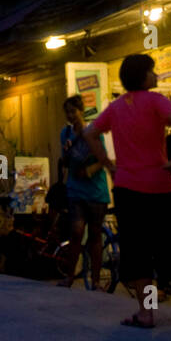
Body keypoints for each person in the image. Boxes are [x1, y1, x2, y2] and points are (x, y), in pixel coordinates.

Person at [84, 54, 171, 327]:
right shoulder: (156, 101)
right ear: (142, 76)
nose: (155, 76)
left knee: (136, 250)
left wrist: (108, 164)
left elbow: (89, 133)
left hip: (128, 188)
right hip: (160, 186)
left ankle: (146, 313)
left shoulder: (116, 106)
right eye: (152, 71)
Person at [57, 95, 111, 288]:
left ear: (81, 111)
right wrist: (65, 153)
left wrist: (88, 171)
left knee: (95, 234)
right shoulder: (65, 133)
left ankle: (96, 280)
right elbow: (64, 162)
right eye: (68, 112)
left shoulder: (94, 132)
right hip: (75, 190)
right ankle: (70, 276)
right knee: (76, 231)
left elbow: (102, 159)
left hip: (96, 191)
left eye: (74, 111)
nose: (71, 116)